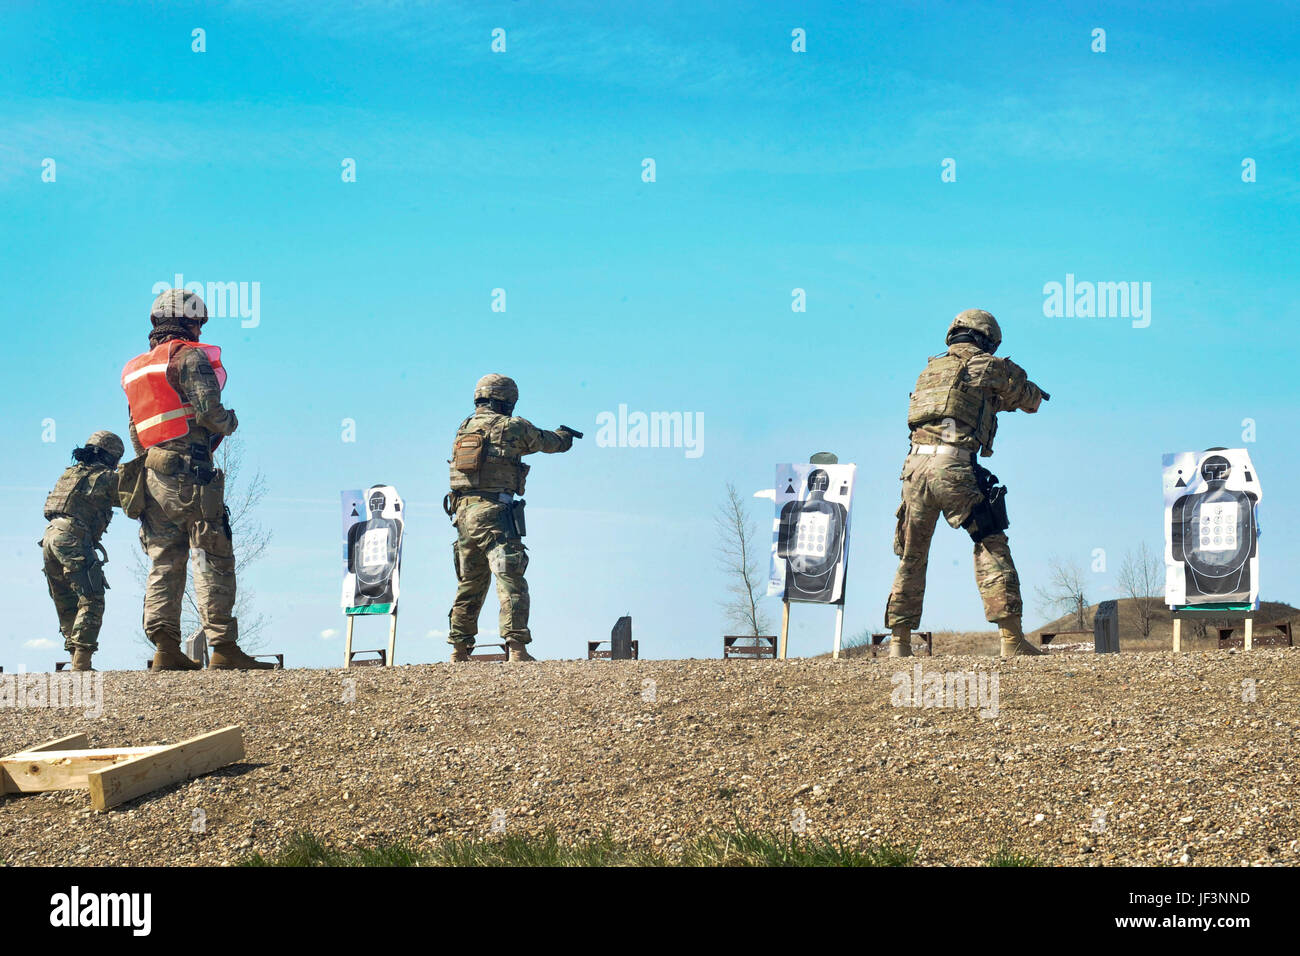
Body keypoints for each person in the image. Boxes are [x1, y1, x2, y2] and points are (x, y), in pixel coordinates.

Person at [121, 288, 271, 670]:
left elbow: (135, 429)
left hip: (151, 474)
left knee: (165, 560)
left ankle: (165, 649)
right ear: (189, 321)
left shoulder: (136, 369)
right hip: (192, 473)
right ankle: (222, 648)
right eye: (198, 323)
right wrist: (231, 422)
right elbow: (210, 412)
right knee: (211, 552)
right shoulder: (190, 357)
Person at [885, 309, 1049, 658]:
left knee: (911, 555)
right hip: (953, 463)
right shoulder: (988, 366)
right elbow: (1030, 400)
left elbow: (955, 405)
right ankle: (1011, 639)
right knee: (990, 541)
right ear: (986, 340)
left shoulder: (931, 369)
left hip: (913, 467)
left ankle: (898, 643)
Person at [444, 374, 578, 662]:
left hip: (463, 514)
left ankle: (458, 649)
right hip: (494, 512)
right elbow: (550, 443)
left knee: (470, 582)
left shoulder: (465, 429)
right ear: (507, 400)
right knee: (510, 576)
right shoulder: (511, 427)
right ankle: (516, 648)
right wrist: (565, 437)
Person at [40, 431, 124, 671]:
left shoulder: (69, 473)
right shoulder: (106, 477)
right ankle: (82, 662)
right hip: (73, 538)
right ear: (112, 456)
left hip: (49, 538)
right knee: (92, 598)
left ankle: (74, 656)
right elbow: (131, 500)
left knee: (66, 599)